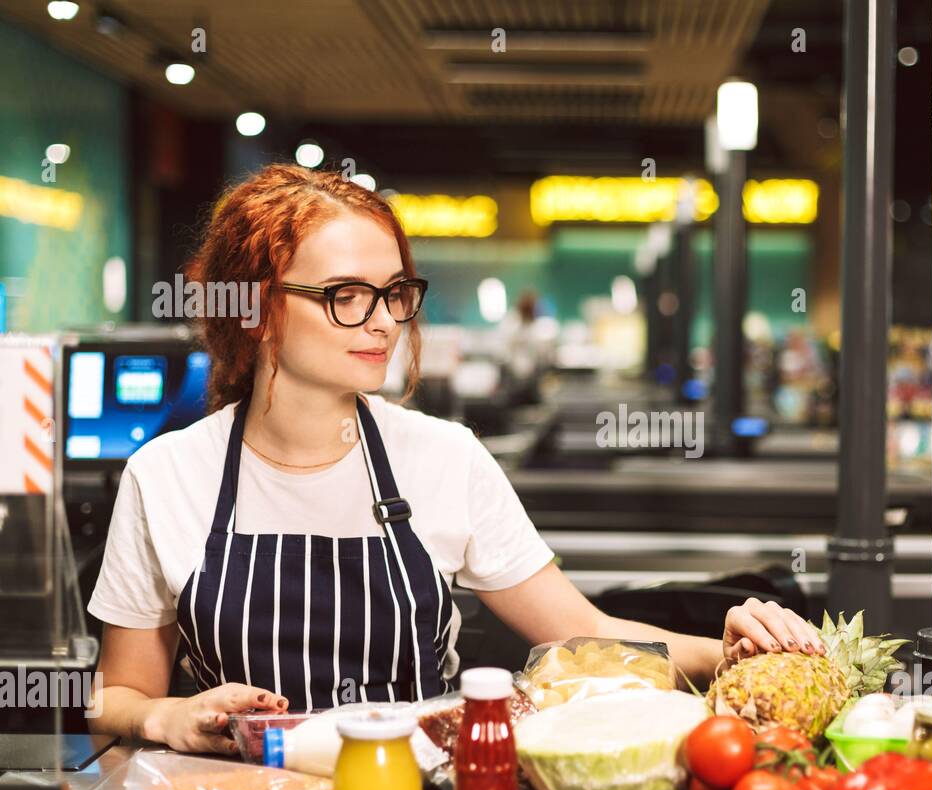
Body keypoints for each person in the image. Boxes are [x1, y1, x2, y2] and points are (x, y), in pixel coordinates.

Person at [86, 164, 823, 754]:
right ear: (256, 308)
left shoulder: (442, 458)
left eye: (395, 293)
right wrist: (172, 718)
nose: (382, 322)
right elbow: (116, 699)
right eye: (347, 295)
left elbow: (578, 632)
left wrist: (722, 648)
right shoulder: (168, 475)